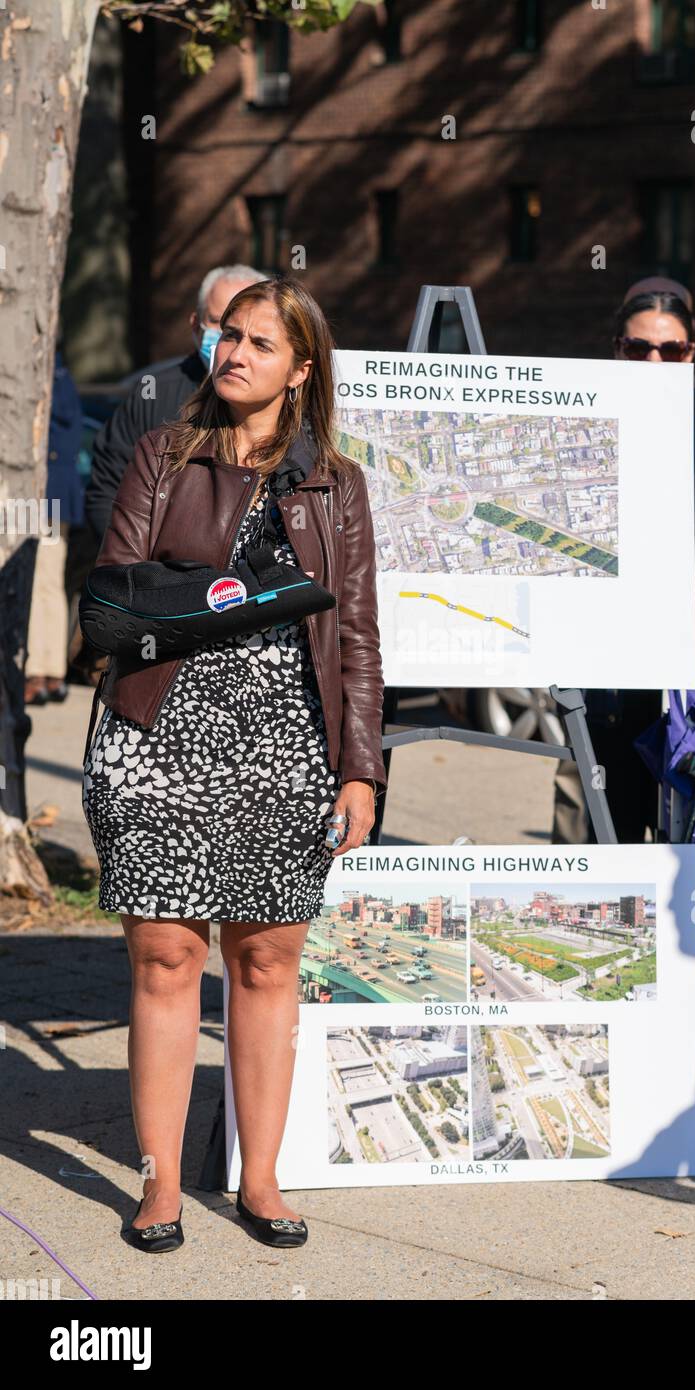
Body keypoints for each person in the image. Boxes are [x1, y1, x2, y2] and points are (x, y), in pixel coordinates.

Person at [82, 275, 387, 1248]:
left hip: (289, 745)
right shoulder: (163, 455)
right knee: (166, 955)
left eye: (260, 342)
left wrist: (362, 769)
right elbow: (114, 600)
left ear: (302, 369)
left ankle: (261, 1178)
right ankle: (161, 1182)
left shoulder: (337, 485)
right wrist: (234, 591)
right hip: (156, 732)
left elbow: (359, 640)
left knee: (264, 959)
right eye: (229, 336)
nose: (235, 353)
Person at [552, 287, 695, 844]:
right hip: (602, 661)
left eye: (670, 351)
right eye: (638, 347)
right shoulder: (580, 420)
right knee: (595, 822)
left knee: (688, 828)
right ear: (616, 349)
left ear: (691, 353)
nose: (654, 362)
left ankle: (676, 931)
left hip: (688, 665)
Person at [84, 264, 268, 542]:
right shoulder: (152, 394)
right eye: (222, 326)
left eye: (249, 334)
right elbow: (108, 490)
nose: (234, 348)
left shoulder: (291, 405)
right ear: (195, 325)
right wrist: (139, 573)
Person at [25, 348, 84, 705]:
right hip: (50, 495)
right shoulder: (61, 377)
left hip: (34, 496)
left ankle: (35, 671)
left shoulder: (47, 379)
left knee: (34, 580)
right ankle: (50, 671)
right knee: (48, 583)